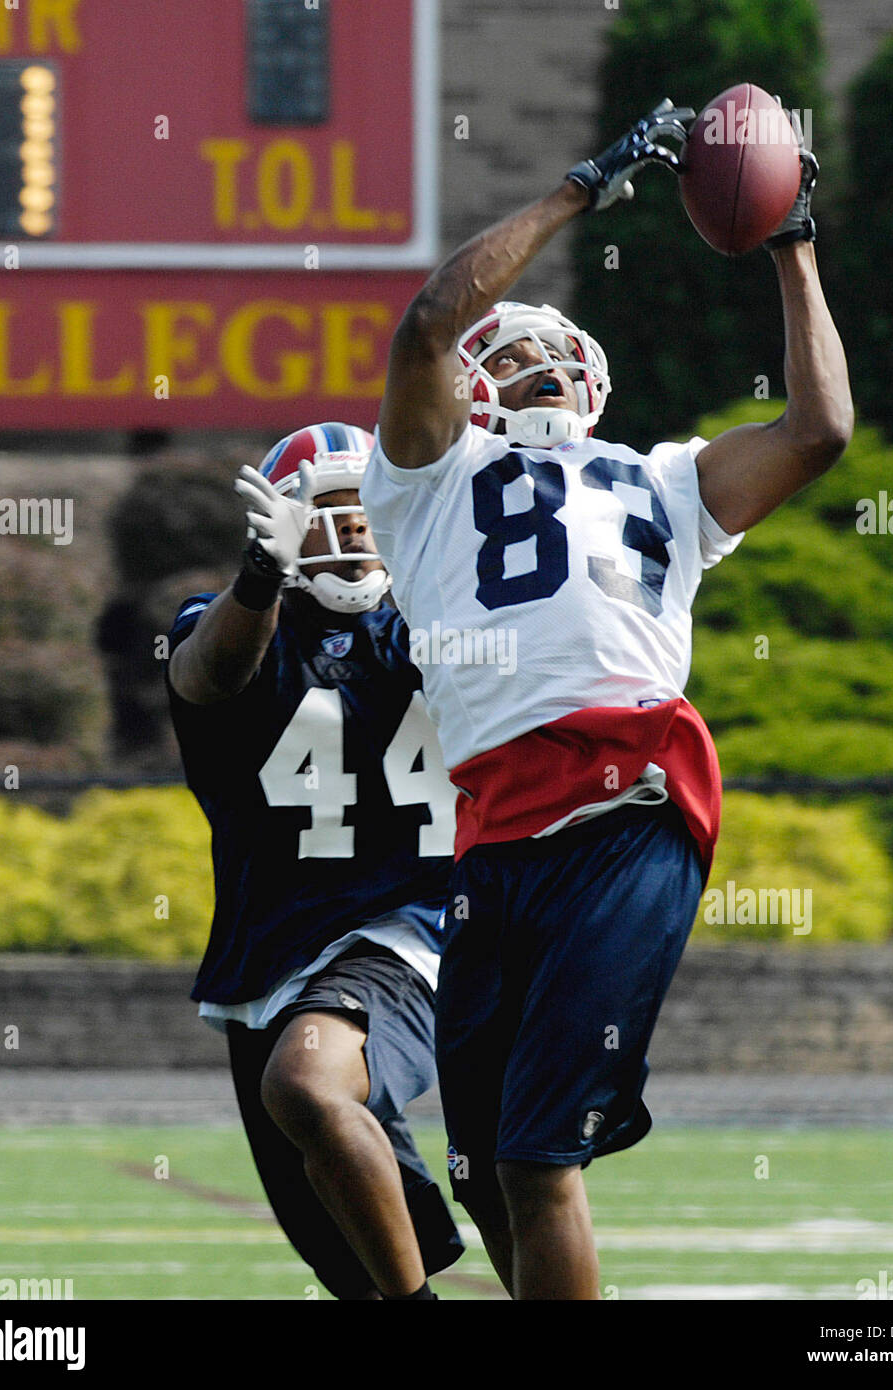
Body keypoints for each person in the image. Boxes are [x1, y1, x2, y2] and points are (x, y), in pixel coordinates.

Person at [360, 102, 853, 1299]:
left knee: (535, 1159)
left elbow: (819, 428)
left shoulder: (662, 477)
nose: (527, 356)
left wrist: (791, 244)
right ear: (476, 388)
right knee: (483, 1165)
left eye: (546, 346)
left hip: (628, 804)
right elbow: (430, 320)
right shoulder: (426, 481)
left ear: (587, 381)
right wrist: (578, 191)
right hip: (491, 838)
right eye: (507, 347)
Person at [166, 422, 463, 1301]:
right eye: (325, 511)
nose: (353, 529)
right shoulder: (233, 622)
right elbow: (206, 677)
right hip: (270, 954)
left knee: (306, 1083)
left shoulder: (443, 617)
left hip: (415, 928)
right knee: (349, 1258)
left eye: (368, 508)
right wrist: (260, 579)